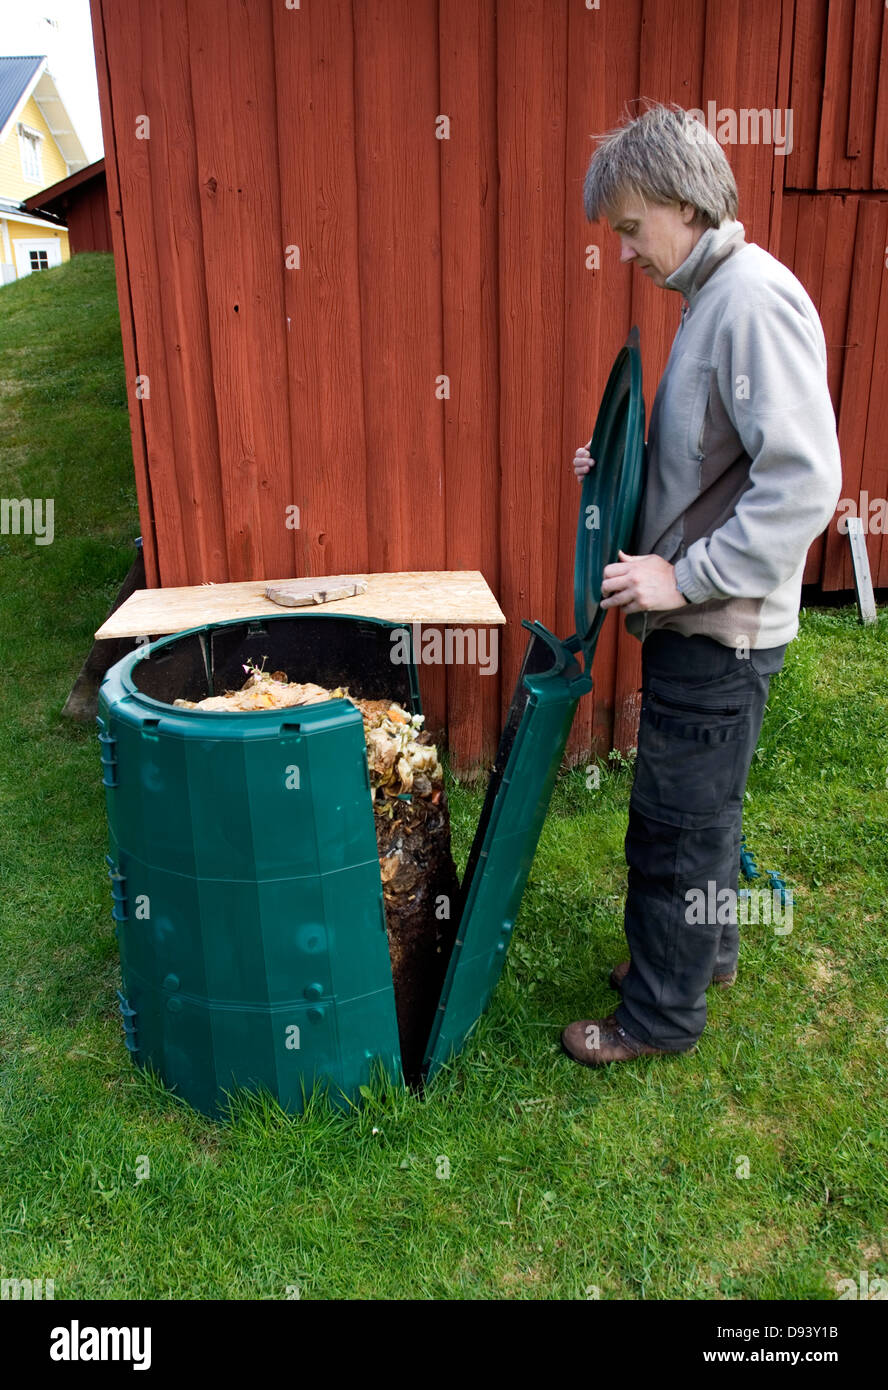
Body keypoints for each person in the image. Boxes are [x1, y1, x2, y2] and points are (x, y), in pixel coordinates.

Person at [560, 102, 842, 1066]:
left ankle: (658, 1017)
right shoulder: (713, 297)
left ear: (685, 201)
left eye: (632, 228)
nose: (627, 250)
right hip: (710, 623)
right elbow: (712, 453)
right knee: (706, 811)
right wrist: (620, 467)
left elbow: (802, 480)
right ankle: (705, 952)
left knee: (674, 826)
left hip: (721, 627)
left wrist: (683, 578)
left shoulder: (750, 302)